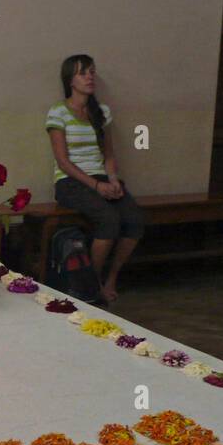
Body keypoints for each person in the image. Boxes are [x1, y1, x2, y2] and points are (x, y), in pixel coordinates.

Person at [46, 54, 144, 303]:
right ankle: (91, 284)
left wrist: (112, 181)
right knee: (109, 218)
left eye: (91, 72)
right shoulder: (58, 112)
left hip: (101, 178)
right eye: (82, 73)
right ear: (70, 80)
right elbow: (63, 162)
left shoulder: (102, 112)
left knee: (134, 219)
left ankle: (110, 278)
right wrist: (96, 186)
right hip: (71, 182)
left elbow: (109, 154)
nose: (90, 77)